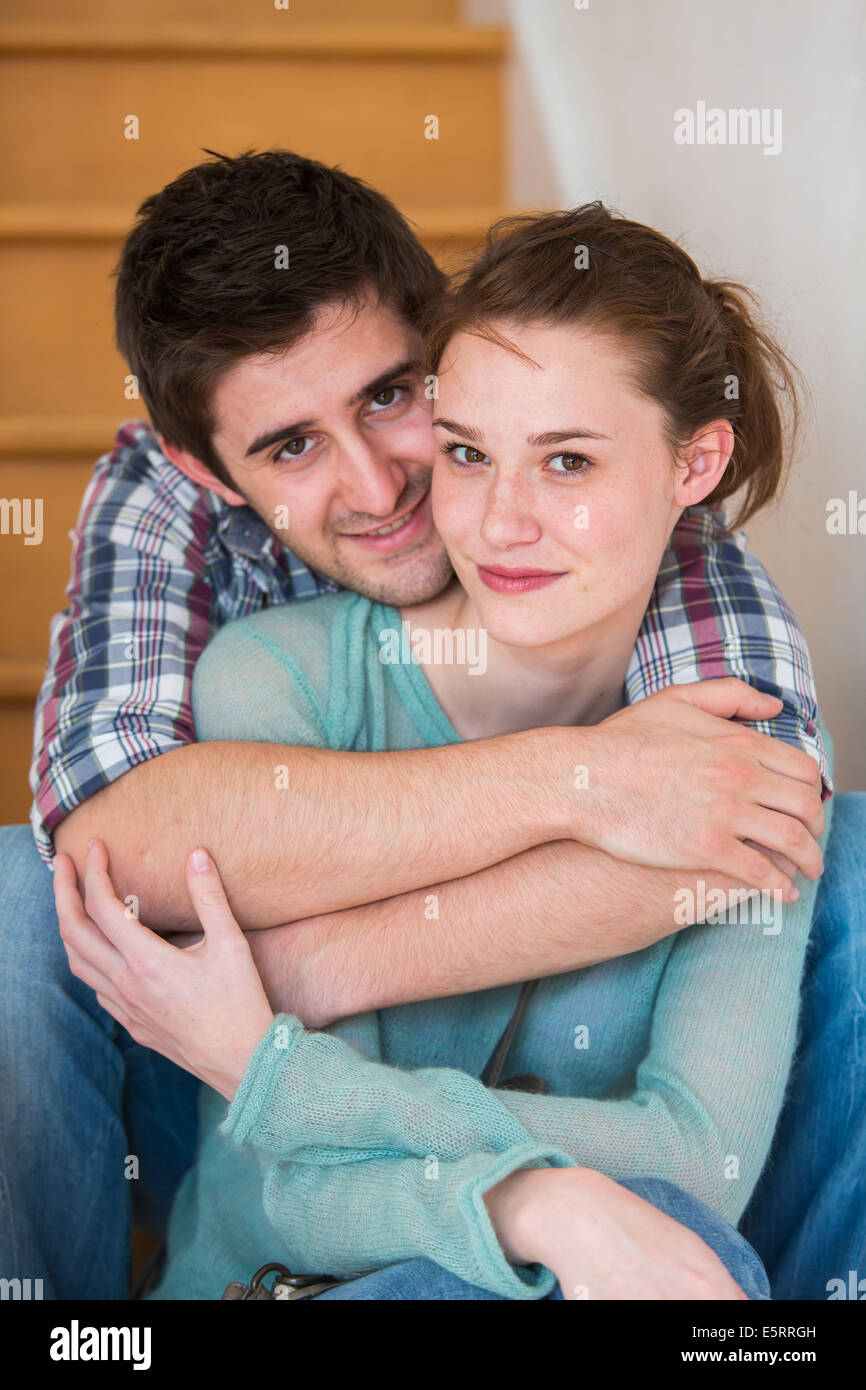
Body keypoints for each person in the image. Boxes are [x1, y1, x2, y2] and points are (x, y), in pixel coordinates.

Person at [1, 151, 861, 1300]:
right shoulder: (259, 653)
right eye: (290, 446)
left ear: (442, 348)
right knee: (20, 892)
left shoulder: (670, 569)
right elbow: (114, 849)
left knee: (835, 861)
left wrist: (287, 1009)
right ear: (206, 470)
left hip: (338, 1103)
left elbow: (756, 818)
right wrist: (583, 781)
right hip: (198, 1106)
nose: (383, 487)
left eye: (392, 399)